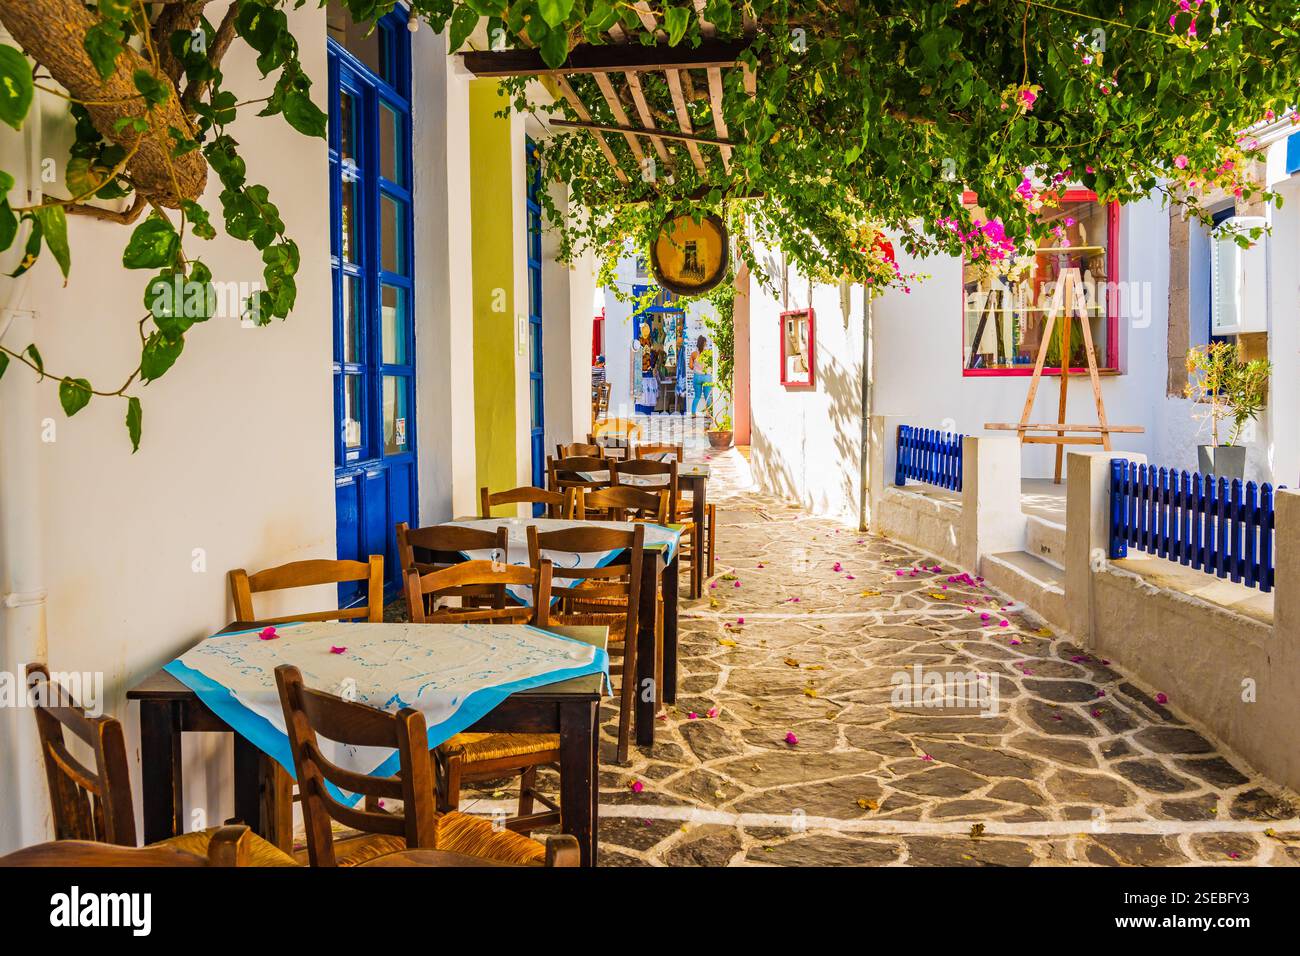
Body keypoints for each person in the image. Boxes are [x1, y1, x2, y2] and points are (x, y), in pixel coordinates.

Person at [689, 334, 713, 415]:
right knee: (707, 397)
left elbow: (691, 366)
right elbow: (712, 365)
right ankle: (708, 414)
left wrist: (697, 367)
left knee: (697, 396)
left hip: (697, 377)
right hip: (707, 376)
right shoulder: (709, 353)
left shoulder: (693, 354)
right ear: (705, 343)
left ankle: (693, 413)